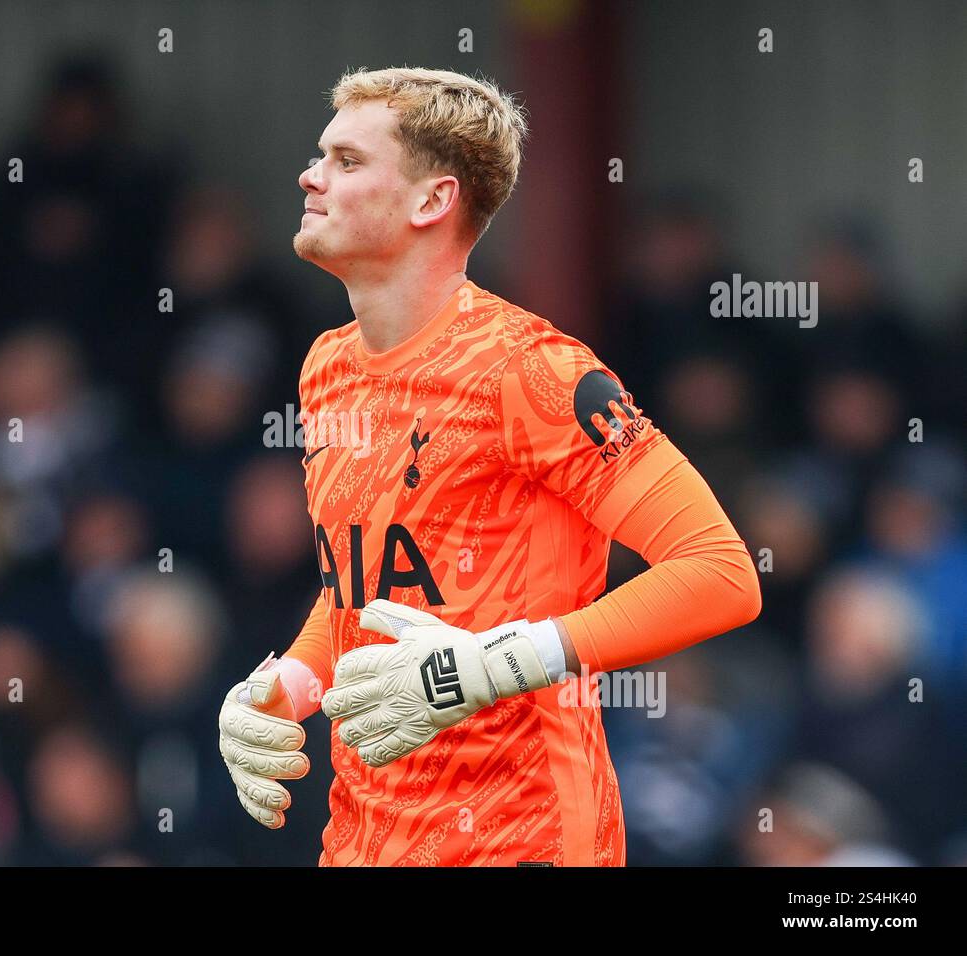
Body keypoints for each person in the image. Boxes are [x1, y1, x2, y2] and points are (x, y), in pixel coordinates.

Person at [217, 67, 761, 867]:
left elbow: (721, 573)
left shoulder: (534, 370)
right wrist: (287, 688)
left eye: (347, 160)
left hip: (525, 836)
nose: (311, 175)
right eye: (319, 155)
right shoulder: (325, 366)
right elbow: (360, 595)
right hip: (366, 839)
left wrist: (496, 664)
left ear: (431, 202)